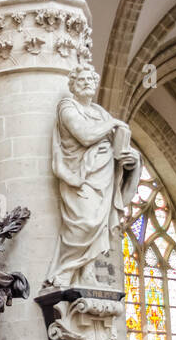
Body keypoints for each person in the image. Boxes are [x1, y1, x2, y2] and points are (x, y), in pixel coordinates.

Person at [44, 65, 140, 287]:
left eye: (90, 79)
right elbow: (85, 135)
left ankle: (87, 273)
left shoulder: (100, 112)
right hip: (80, 176)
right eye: (82, 80)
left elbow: (117, 145)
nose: (87, 83)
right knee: (84, 222)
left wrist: (130, 158)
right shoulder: (67, 107)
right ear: (73, 85)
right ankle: (65, 271)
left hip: (104, 176)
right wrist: (113, 123)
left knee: (99, 225)